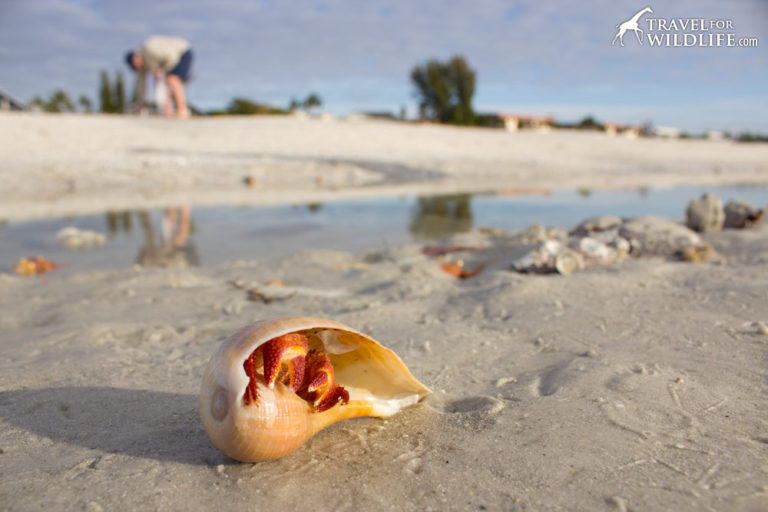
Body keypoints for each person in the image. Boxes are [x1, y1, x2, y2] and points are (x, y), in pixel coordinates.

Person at [125, 36, 193, 118]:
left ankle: (182, 110)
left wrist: (166, 72)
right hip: (168, 60)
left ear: (135, 57)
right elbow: (141, 84)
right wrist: (140, 104)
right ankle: (167, 111)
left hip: (182, 52)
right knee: (164, 82)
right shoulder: (142, 63)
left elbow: (171, 55)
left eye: (135, 64)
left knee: (172, 79)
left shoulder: (149, 50)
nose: (137, 67)